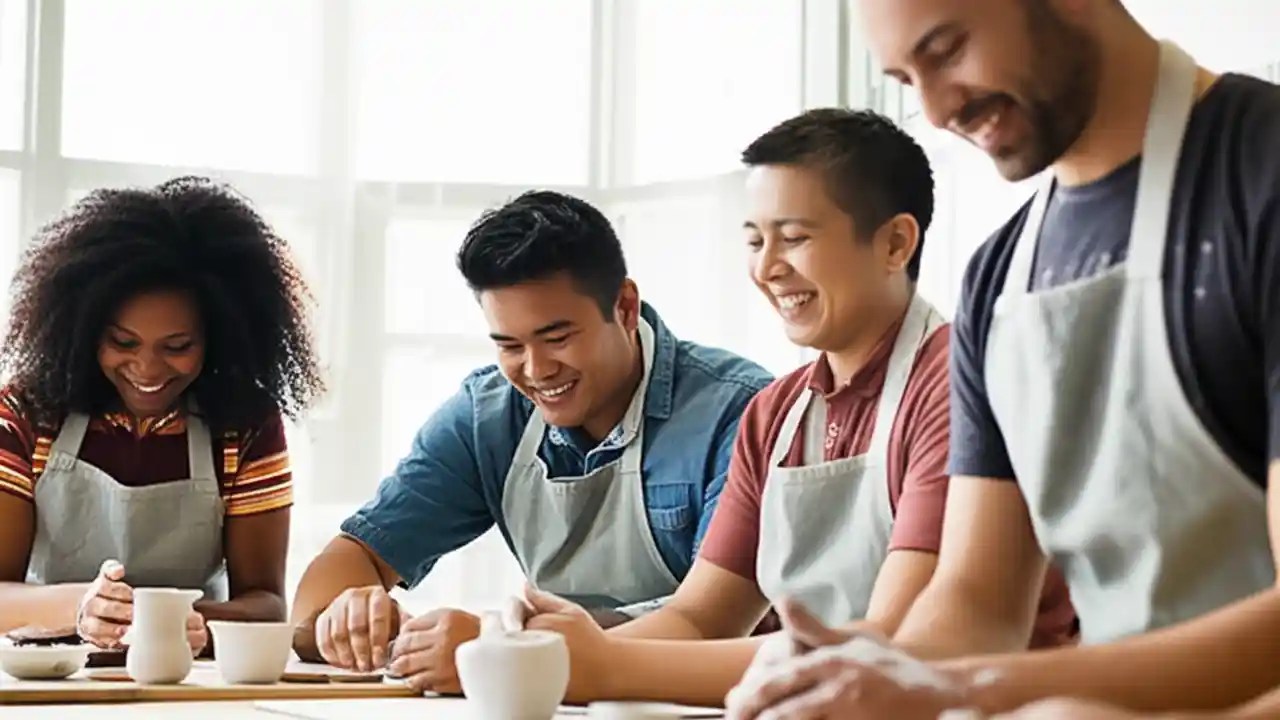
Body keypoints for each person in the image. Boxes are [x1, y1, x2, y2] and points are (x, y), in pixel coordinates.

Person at [723, 0, 1280, 717]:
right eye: (905, 78)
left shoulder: (1261, 178)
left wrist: (960, 688)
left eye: (948, 49)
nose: (937, 108)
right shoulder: (1001, 278)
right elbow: (976, 603)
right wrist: (857, 668)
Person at [508, 108, 1075, 707]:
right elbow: (700, 619)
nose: (767, 267)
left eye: (795, 237)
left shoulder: (957, 386)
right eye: (755, 240)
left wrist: (605, 667)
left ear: (895, 243)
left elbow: (893, 644)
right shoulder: (774, 416)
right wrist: (561, 658)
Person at [289, 190, 773, 692]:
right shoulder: (488, 417)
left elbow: (709, 624)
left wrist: (505, 649)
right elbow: (345, 564)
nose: (537, 371)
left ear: (625, 307)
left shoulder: (739, 412)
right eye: (510, 345)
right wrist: (345, 616)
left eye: (558, 338)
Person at [0, 177, 323, 654]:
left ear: (219, 337)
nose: (147, 369)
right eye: (122, 342)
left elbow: (267, 602)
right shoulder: (26, 412)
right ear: (82, 329)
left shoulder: (245, 424)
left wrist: (197, 623)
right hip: (47, 672)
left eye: (177, 347)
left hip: (186, 678)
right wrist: (80, 607)